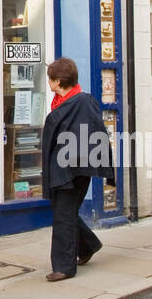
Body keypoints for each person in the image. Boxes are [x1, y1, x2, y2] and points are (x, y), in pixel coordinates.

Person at [41, 57, 114, 281]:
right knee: (65, 210)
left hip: (75, 170)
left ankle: (64, 267)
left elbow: (97, 133)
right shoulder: (62, 103)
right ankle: (88, 245)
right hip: (65, 169)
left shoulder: (82, 102)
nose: (49, 83)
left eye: (50, 79)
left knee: (63, 214)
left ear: (58, 81)